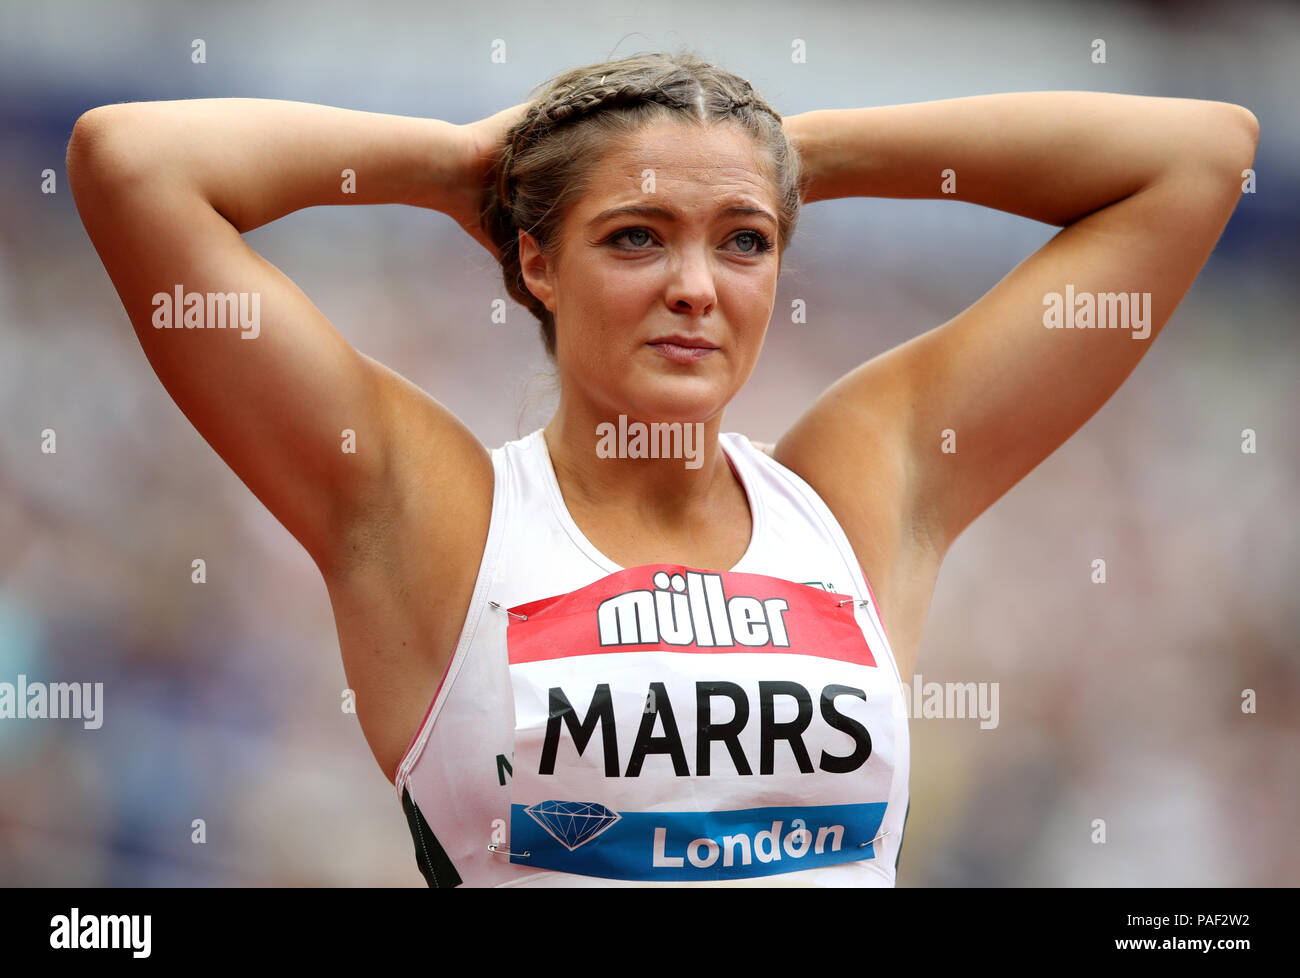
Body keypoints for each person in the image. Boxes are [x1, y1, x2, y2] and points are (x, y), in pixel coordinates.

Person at [66, 50, 1257, 887]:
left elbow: (1198, 155)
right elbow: (132, 163)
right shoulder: (436, 515)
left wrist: (769, 153)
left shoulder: (855, 489)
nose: (696, 284)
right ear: (533, 263)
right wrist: (466, 164)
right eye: (635, 235)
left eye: (742, 241)